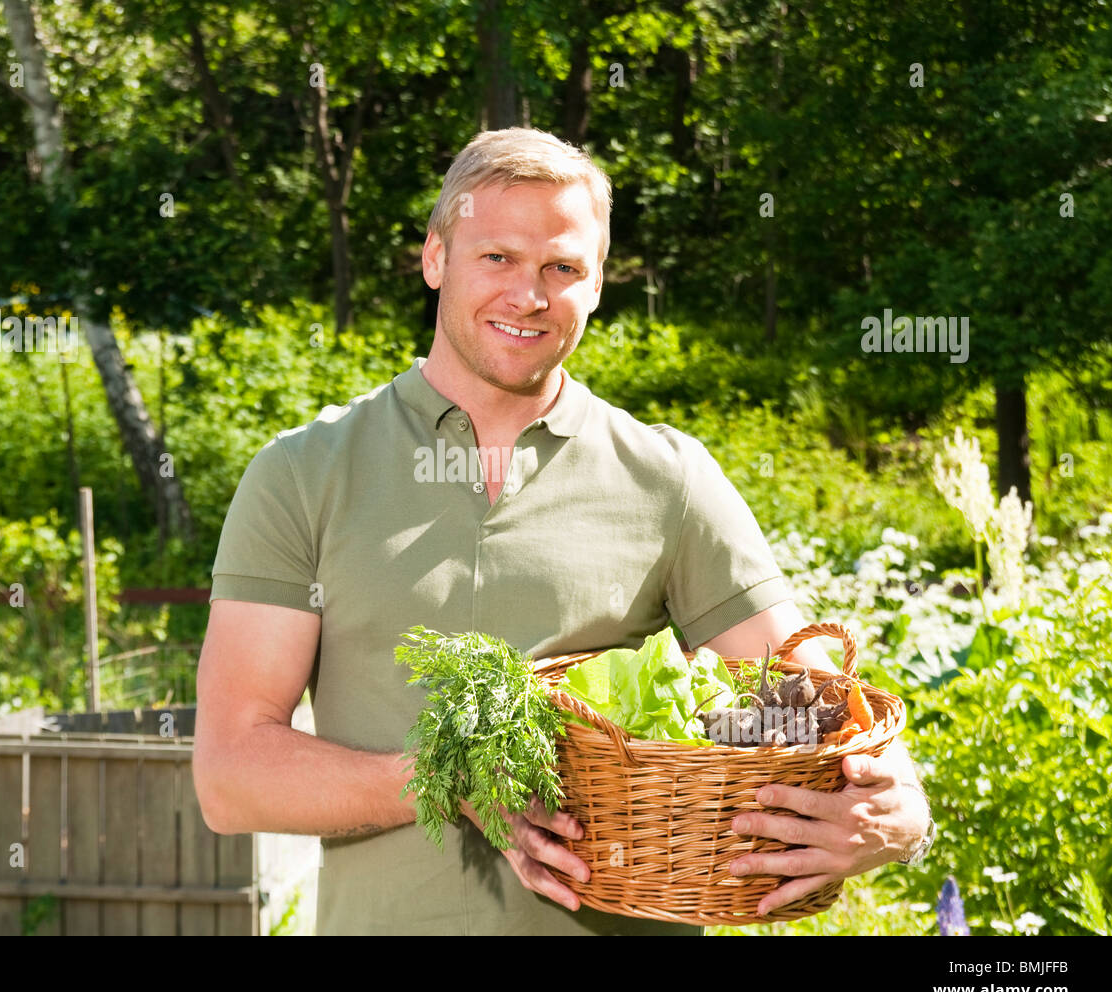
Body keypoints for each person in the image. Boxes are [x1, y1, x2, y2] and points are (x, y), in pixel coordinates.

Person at [193, 127, 933, 936]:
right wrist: (453, 780)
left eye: (562, 267)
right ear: (435, 259)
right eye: (497, 258)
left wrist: (900, 812)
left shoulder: (667, 478)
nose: (529, 294)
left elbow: (819, 697)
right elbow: (231, 774)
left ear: (598, 284)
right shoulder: (306, 472)